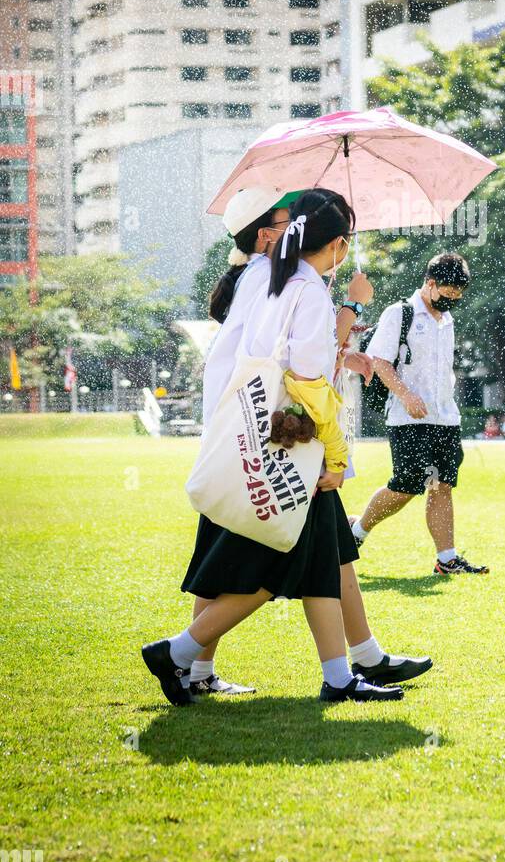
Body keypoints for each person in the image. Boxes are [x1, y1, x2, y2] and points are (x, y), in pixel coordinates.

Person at [142, 189, 430, 708]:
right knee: (277, 563)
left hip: (246, 434)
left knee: (323, 553)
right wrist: (336, 451)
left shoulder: (265, 275)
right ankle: (181, 653)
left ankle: (345, 667)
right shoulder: (305, 288)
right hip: (284, 442)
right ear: (338, 244)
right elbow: (308, 378)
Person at [351, 252, 489, 576]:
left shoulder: (447, 320)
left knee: (441, 484)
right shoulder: (400, 313)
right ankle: (356, 532)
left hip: (445, 417)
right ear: (430, 283)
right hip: (407, 418)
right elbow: (379, 362)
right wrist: (406, 395)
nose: (452, 300)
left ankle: (447, 559)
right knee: (407, 485)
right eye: (448, 293)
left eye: (458, 295)